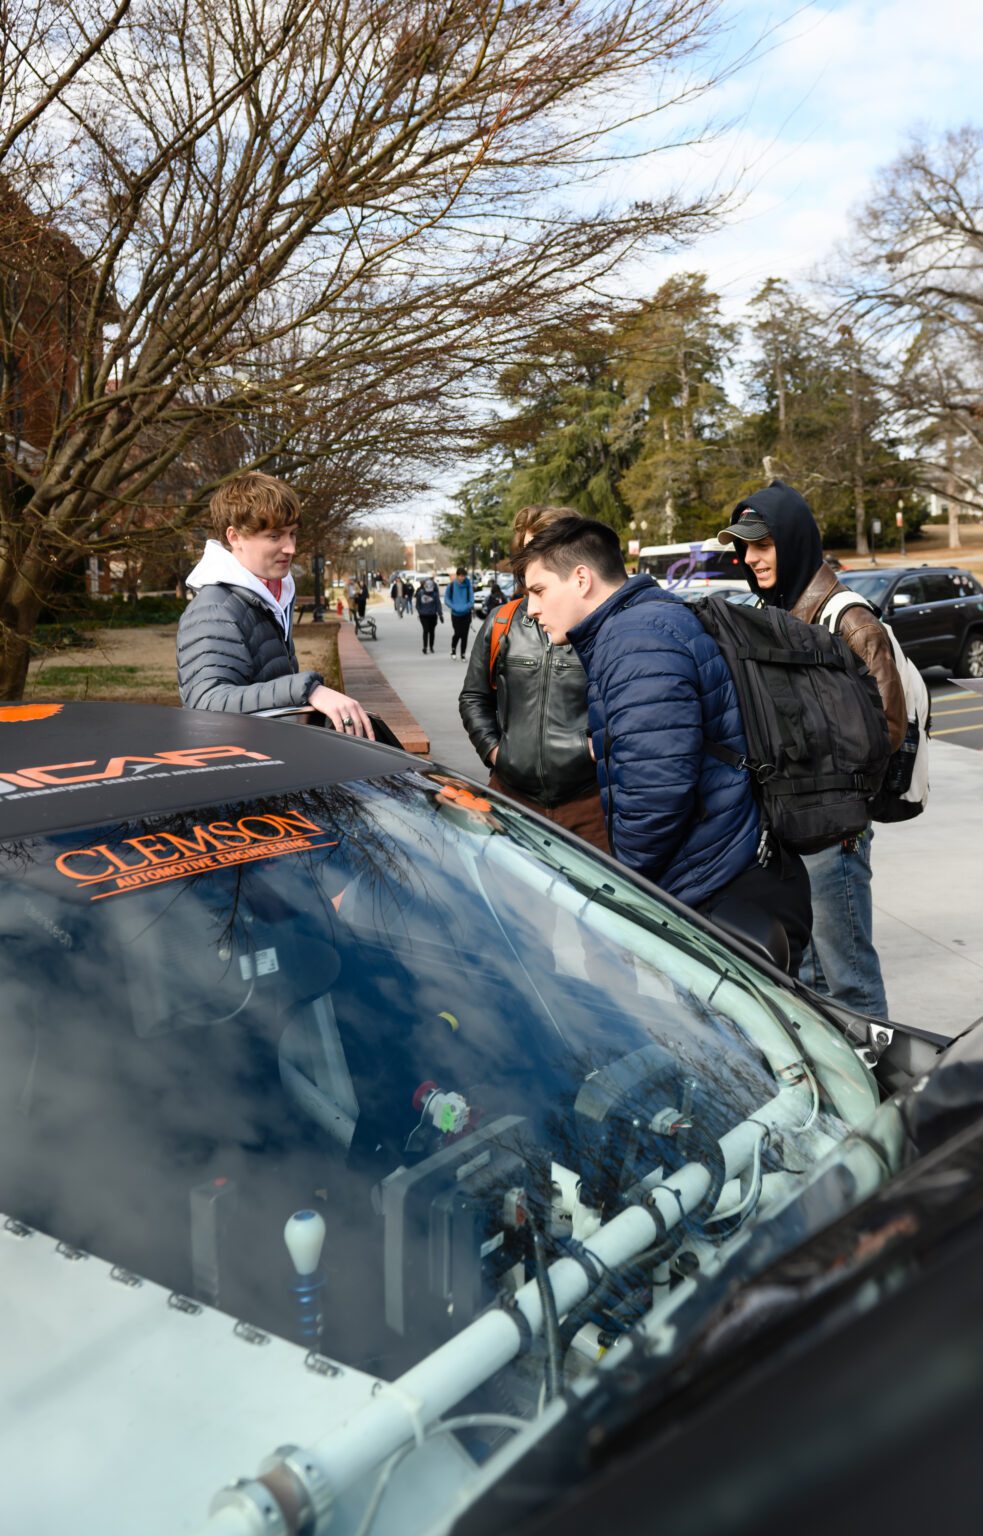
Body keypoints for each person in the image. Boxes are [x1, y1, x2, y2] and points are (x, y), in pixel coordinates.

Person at [517, 516, 812, 974]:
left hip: (720, 885)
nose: (530, 608)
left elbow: (658, 786)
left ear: (581, 579)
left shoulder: (635, 640)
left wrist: (627, 880)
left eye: (537, 591)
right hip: (727, 869)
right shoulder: (645, 622)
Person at [718, 479, 906, 1015]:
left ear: (794, 540)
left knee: (847, 979)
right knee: (803, 973)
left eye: (763, 544)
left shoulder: (849, 621)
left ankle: (875, 1090)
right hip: (792, 823)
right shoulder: (777, 612)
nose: (751, 558)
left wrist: (826, 786)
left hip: (833, 827)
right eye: (745, 547)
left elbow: (885, 732)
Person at [177, 472, 374, 736]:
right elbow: (206, 701)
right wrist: (308, 690)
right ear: (234, 537)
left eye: (292, 534)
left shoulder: (269, 593)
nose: (290, 547)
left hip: (267, 754)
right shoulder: (215, 608)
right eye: (274, 536)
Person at [460, 505, 607, 851]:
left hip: (589, 807)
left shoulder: (605, 628)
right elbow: (474, 697)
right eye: (527, 550)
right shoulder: (502, 621)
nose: (534, 560)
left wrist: (593, 751)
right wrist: (497, 752)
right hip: (511, 797)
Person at [445, 566, 475, 659]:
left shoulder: (468, 585)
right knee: (457, 633)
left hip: (466, 614)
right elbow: (446, 599)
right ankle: (453, 650)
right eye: (460, 576)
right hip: (455, 614)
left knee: (465, 635)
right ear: (457, 576)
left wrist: (466, 607)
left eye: (464, 576)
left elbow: (471, 599)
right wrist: (455, 607)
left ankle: (463, 654)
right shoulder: (451, 586)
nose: (462, 578)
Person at [415, 576, 444, 653]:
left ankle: (431, 646)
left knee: (432, 631)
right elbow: (417, 605)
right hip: (423, 616)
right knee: (426, 630)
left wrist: (440, 614)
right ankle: (425, 647)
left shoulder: (434, 594)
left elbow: (438, 604)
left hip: (433, 615)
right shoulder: (420, 593)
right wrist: (420, 611)